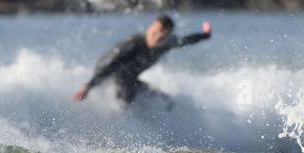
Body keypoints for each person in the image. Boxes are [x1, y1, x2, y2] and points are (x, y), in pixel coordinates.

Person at [73, 14, 211, 106]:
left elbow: (187, 40)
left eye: (162, 36)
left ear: (168, 36)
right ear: (150, 28)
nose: (156, 38)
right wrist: (88, 86)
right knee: (126, 102)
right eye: (154, 32)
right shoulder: (134, 44)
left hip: (130, 79)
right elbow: (112, 63)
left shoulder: (168, 43)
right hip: (110, 73)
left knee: (165, 102)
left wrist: (205, 35)